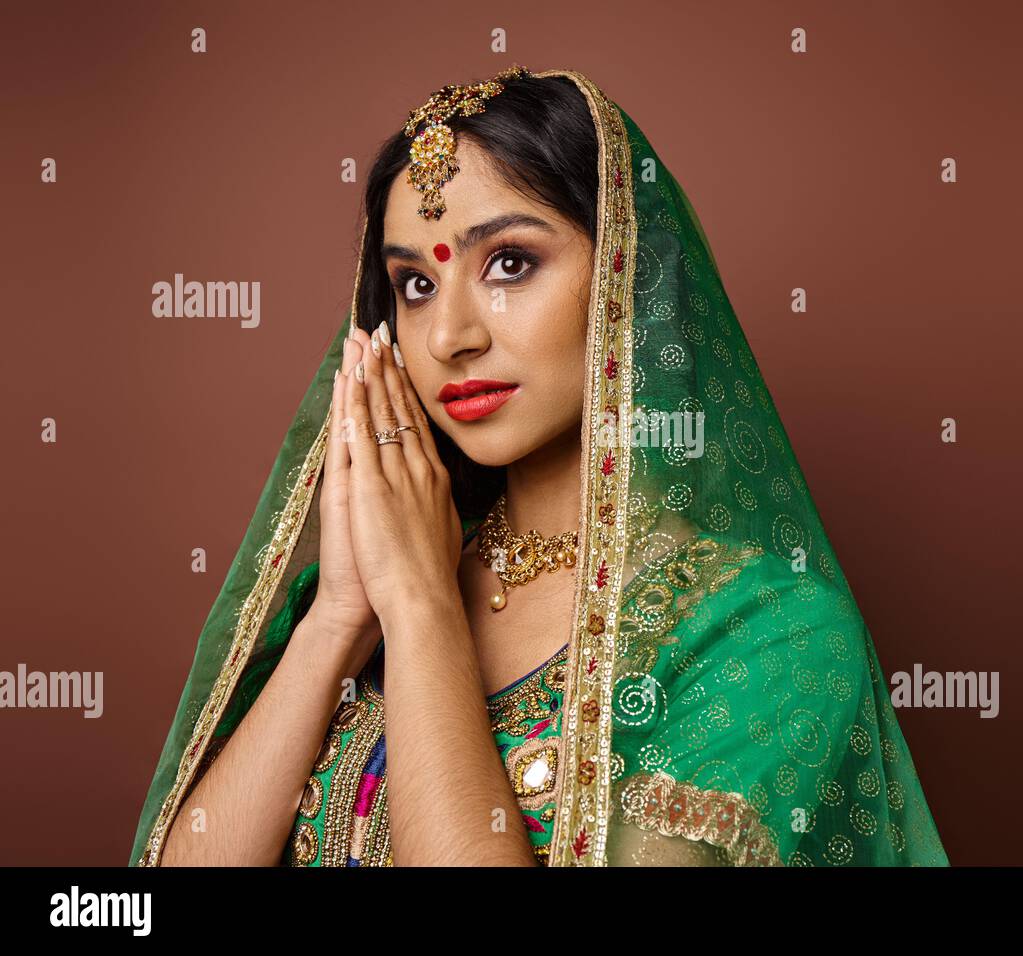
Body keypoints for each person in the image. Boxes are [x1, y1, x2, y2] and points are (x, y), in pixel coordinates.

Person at [130, 65, 949, 867]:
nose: (450, 336)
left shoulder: (768, 634)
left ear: (629, 275)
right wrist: (342, 614)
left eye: (509, 263)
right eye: (414, 282)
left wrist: (420, 610)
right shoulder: (365, 588)